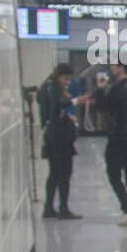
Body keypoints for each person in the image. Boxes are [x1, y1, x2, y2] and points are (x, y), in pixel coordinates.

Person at [90, 62, 127, 225]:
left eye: (115, 65)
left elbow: (102, 107)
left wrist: (100, 89)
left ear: (121, 68)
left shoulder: (118, 88)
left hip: (118, 135)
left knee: (113, 173)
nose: (112, 68)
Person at [38, 63, 80, 220]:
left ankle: (48, 207)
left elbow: (46, 106)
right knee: (64, 172)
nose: (66, 81)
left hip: (51, 135)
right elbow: (55, 107)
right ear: (59, 76)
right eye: (65, 78)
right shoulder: (53, 88)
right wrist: (73, 101)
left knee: (54, 173)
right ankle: (63, 208)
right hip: (58, 137)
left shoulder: (45, 88)